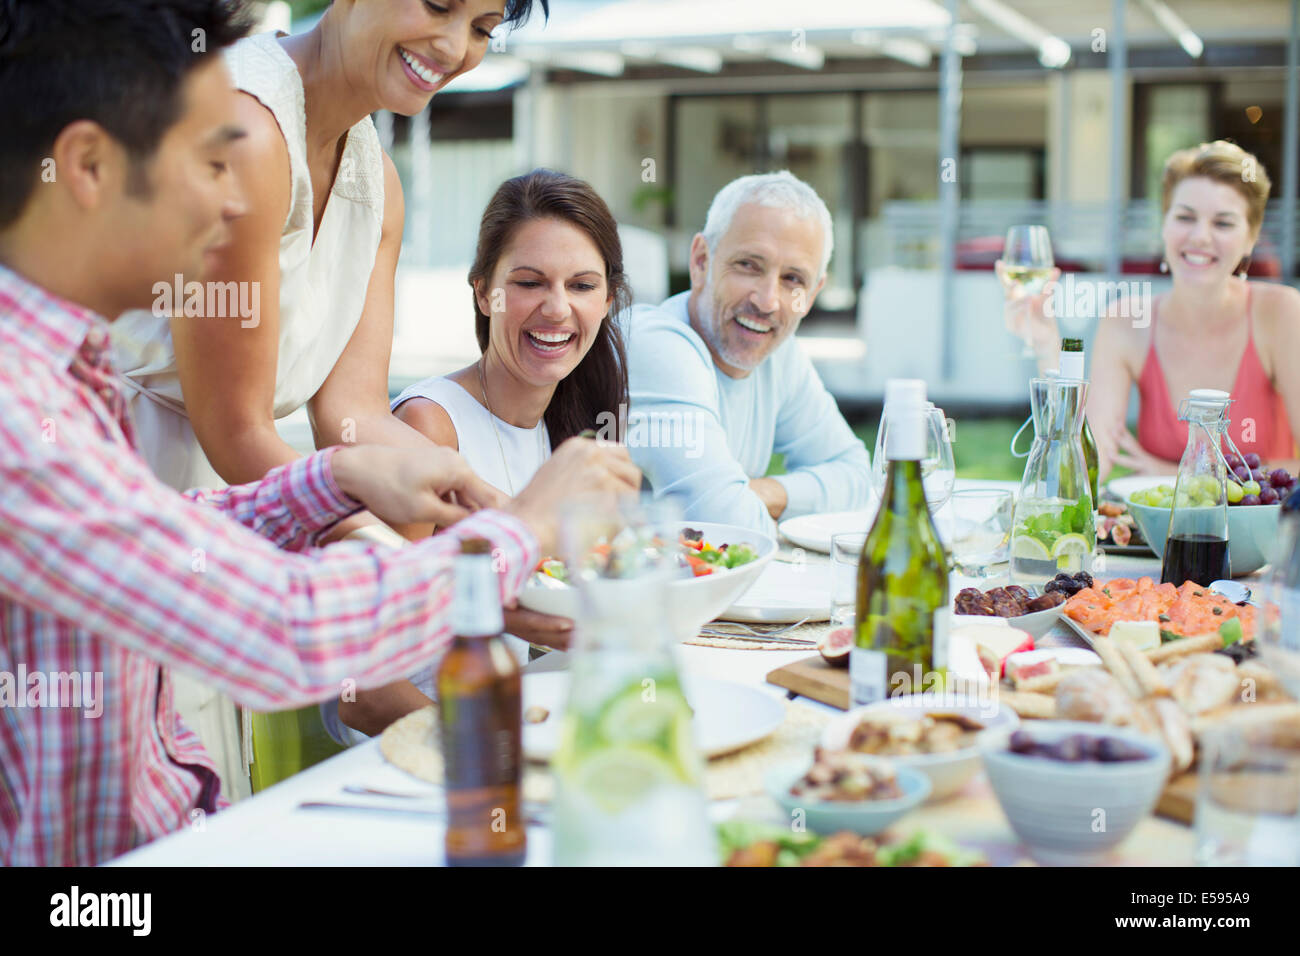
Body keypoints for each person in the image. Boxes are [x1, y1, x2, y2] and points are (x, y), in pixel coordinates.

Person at [0, 0, 637, 866]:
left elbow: (191, 526)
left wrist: (337, 480)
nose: (237, 200)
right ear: (86, 166)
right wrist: (514, 535)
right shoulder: (21, 416)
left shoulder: (58, 370)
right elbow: (278, 624)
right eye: (207, 158)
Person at [107, 0, 548, 798]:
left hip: (250, 503)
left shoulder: (375, 177)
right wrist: (437, 569)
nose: (453, 47)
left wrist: (501, 521)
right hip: (132, 489)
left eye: (483, 27)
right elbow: (236, 430)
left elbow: (353, 417)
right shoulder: (243, 125)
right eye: (439, 5)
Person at [329, 169, 631, 739]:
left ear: (608, 299)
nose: (558, 308)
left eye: (583, 285)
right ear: (482, 290)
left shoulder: (574, 431)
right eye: (529, 282)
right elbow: (362, 695)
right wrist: (497, 745)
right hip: (420, 759)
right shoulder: (429, 427)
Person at [1002, 141, 1300, 477]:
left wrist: (1180, 475)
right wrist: (1045, 346)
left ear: (1251, 237)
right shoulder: (1125, 321)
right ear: (1165, 225)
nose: (1200, 236)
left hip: (1266, 528)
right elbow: (1084, 472)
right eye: (1185, 217)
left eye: (1223, 223)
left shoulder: (1280, 313)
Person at [624, 171, 871, 535]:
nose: (767, 301)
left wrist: (765, 492)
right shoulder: (656, 346)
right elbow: (726, 526)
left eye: (792, 279)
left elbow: (856, 475)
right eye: (749, 266)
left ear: (812, 294)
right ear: (701, 262)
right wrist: (746, 502)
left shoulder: (778, 355)